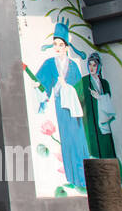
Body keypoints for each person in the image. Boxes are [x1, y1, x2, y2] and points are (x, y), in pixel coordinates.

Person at [34, 21, 90, 188]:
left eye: (61, 44)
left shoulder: (73, 66)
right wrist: (40, 87)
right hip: (61, 106)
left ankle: (84, 176)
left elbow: (80, 89)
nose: (57, 47)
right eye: (55, 44)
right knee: (67, 139)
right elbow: (42, 83)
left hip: (74, 107)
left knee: (79, 139)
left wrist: (67, 86)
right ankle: (72, 177)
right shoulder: (50, 63)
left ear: (66, 46)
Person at [76, 52, 117, 160]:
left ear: (99, 66)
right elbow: (75, 96)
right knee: (93, 150)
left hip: (103, 120)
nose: (92, 68)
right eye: (90, 64)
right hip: (90, 121)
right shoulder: (84, 81)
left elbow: (108, 98)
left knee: (106, 147)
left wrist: (100, 98)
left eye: (94, 65)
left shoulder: (104, 83)